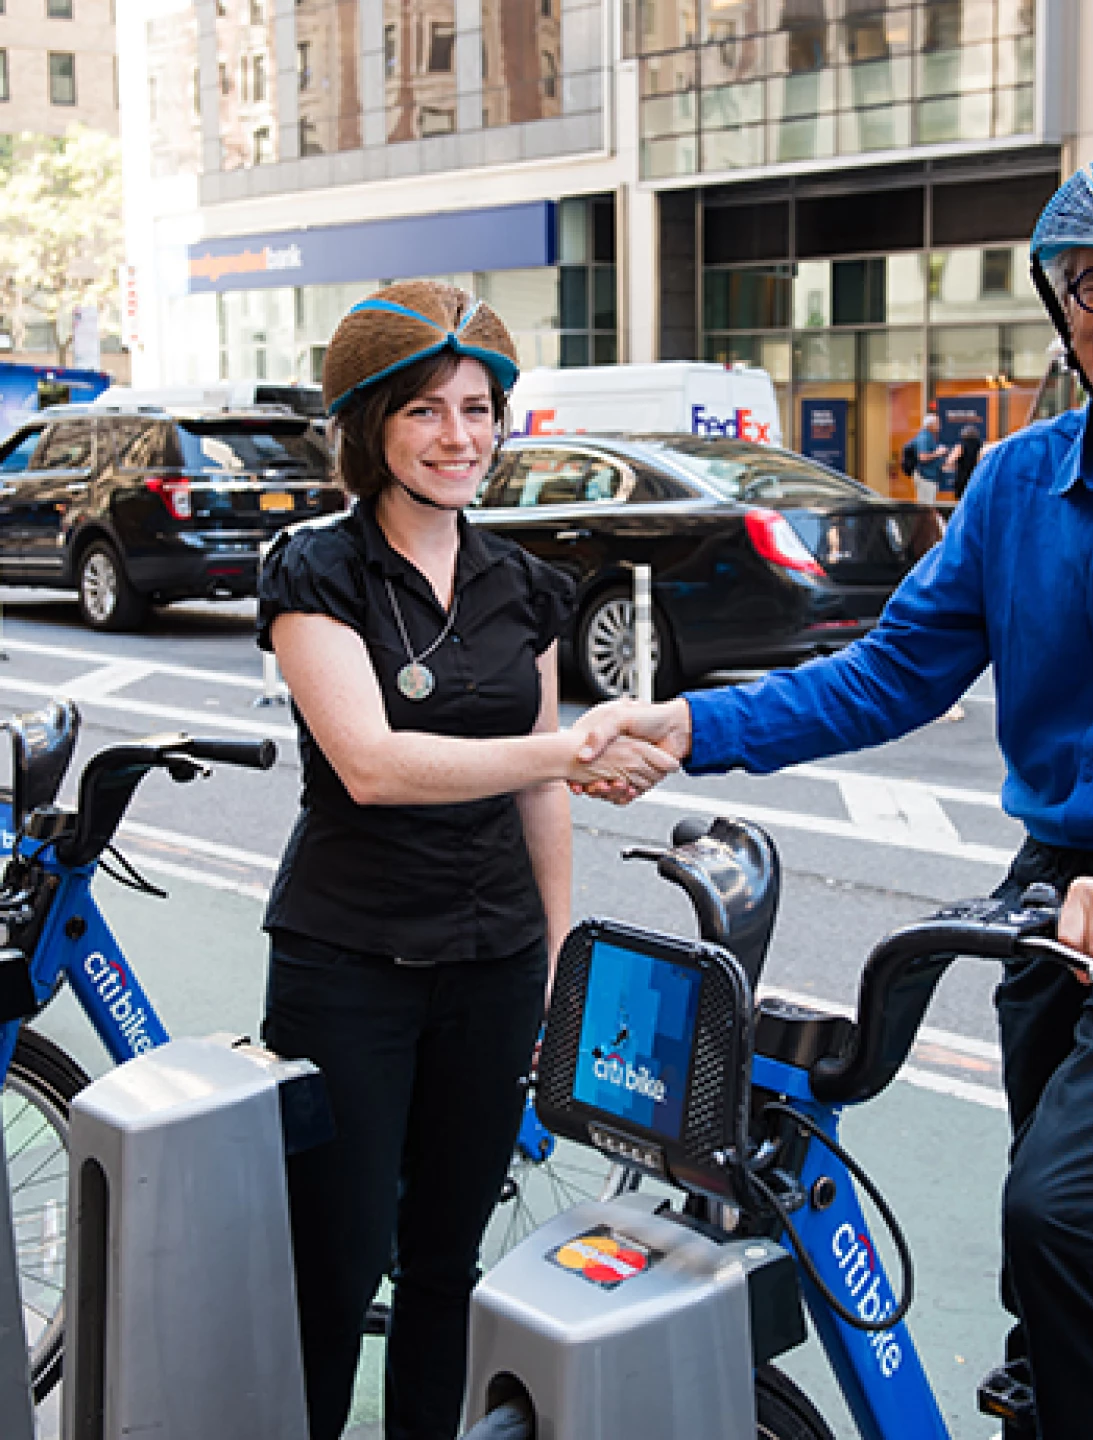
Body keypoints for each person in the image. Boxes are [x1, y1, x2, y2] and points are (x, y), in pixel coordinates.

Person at [572, 147, 1093, 1439]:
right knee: (1045, 1237)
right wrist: (685, 725)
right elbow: (889, 675)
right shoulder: (1013, 481)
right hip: (1056, 898)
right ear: (1060, 304)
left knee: (1059, 1207)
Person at [255, 280, 675, 1440]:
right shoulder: (315, 574)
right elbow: (371, 765)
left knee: (447, 1266)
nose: (460, 438)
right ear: (371, 428)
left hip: (491, 962)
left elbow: (545, 796)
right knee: (333, 1269)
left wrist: (547, 964)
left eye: (479, 410)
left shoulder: (524, 590)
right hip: (348, 962)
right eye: (427, 412)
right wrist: (563, 745)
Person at [910, 406, 945, 504]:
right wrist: (938, 453)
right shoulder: (924, 437)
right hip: (925, 477)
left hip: (931, 477)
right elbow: (923, 457)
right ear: (930, 425)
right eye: (937, 423)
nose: (939, 425)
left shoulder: (930, 437)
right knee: (925, 507)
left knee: (929, 506)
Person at [945, 422, 984, 502]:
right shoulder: (982, 446)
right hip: (977, 478)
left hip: (963, 479)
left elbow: (950, 461)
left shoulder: (960, 446)